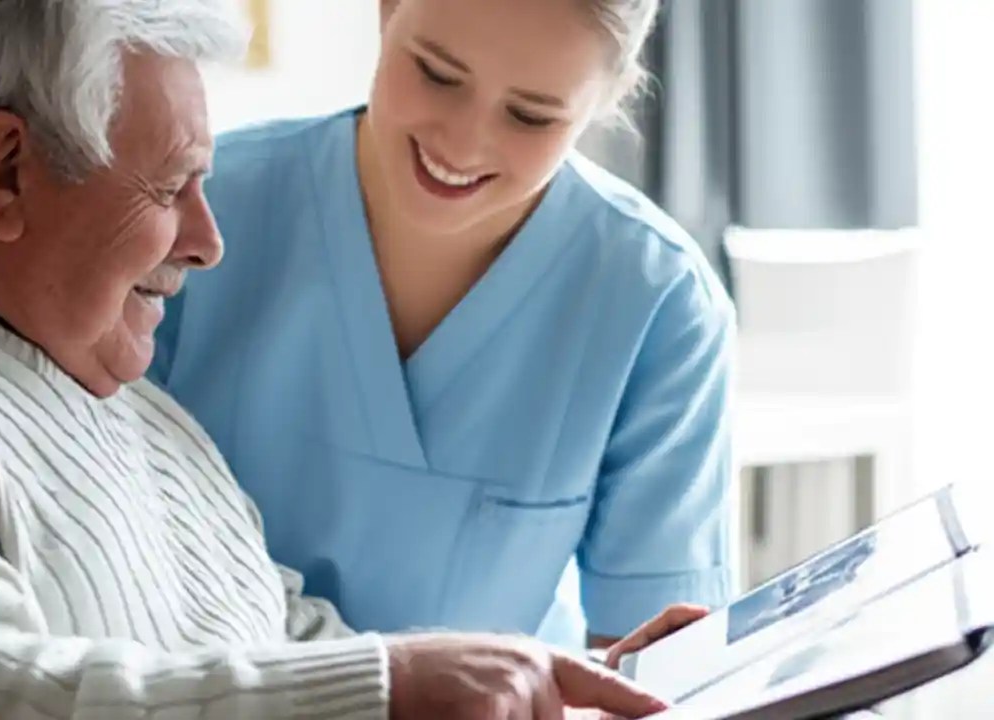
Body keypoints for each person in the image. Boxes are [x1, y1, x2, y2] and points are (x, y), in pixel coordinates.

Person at [0, 1, 688, 718]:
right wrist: (387, 687)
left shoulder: (133, 417)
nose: (209, 240)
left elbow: (290, 644)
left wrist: (547, 691)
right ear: (7, 173)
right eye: (173, 185)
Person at [148, 0, 737, 651]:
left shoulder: (657, 302)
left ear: (606, 99)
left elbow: (650, 665)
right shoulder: (196, 210)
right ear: (386, 11)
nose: (462, 142)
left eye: (530, 114)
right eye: (436, 74)